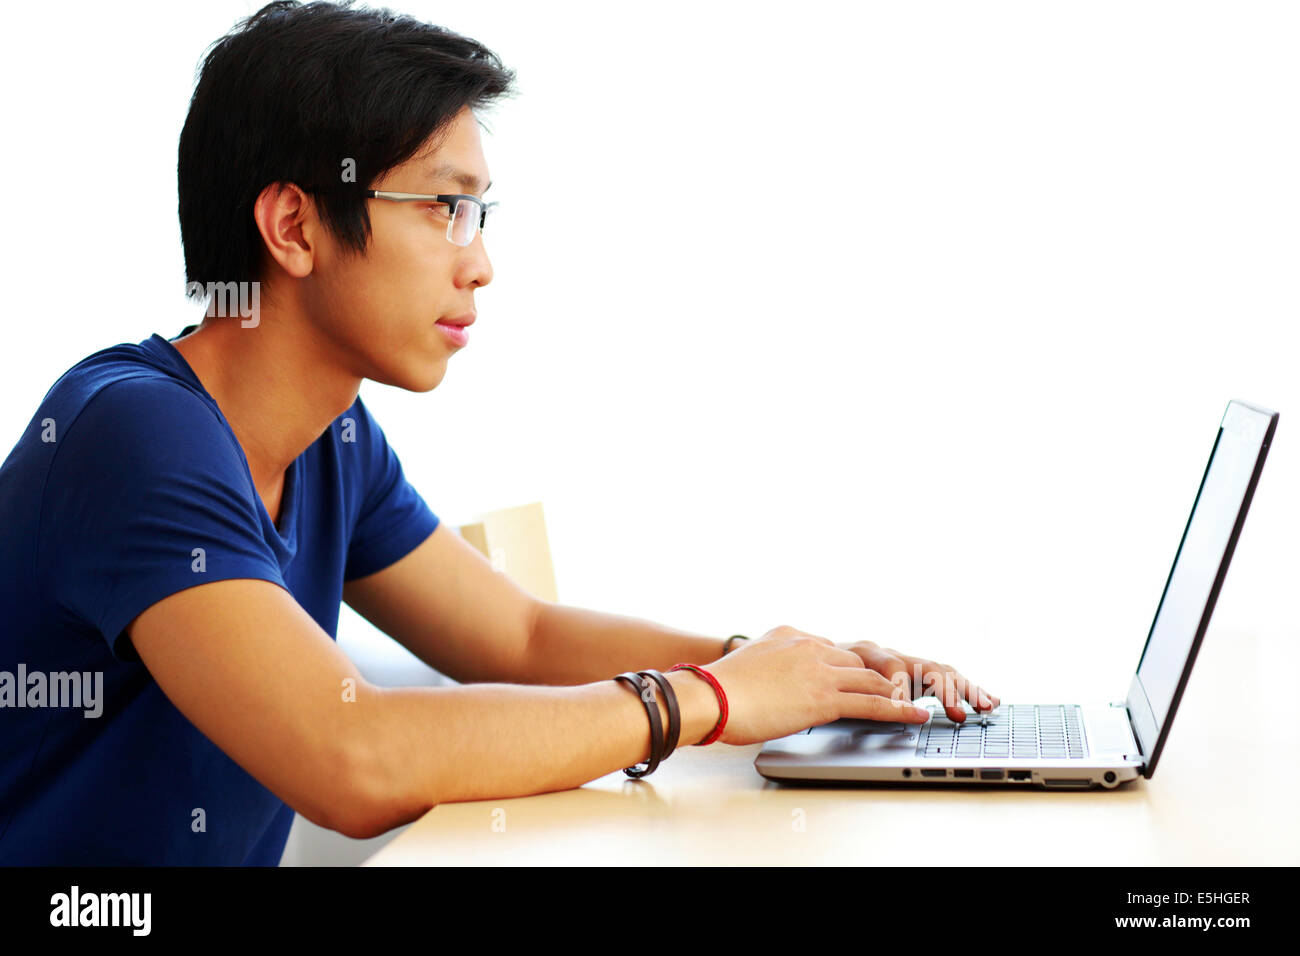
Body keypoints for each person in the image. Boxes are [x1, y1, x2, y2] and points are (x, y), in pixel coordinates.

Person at [0, 0, 997, 866]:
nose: (479, 266)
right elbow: (353, 757)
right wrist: (708, 698)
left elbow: (517, 634)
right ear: (295, 226)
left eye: (478, 212)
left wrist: (787, 669)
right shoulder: (132, 432)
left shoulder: (332, 436)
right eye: (443, 207)